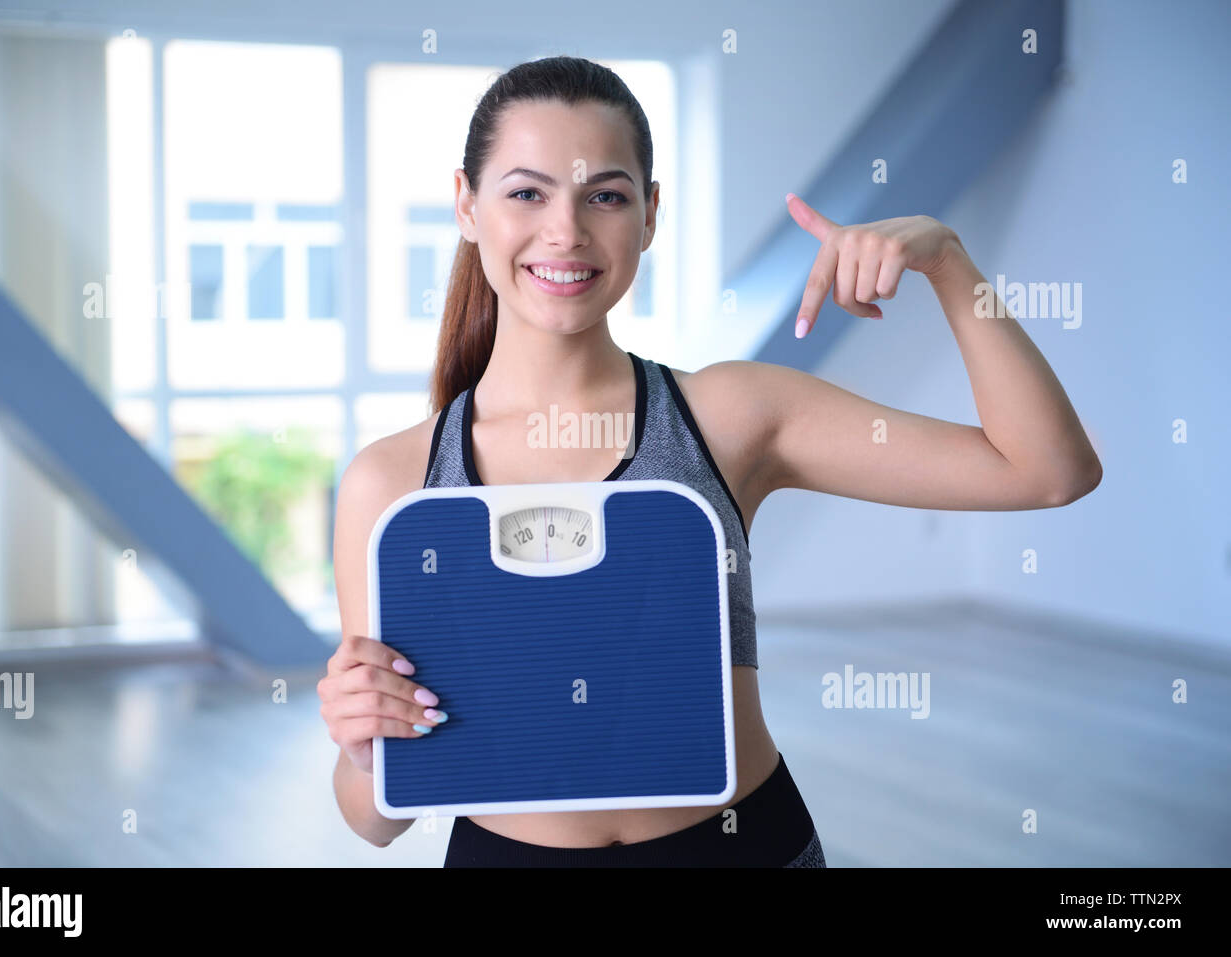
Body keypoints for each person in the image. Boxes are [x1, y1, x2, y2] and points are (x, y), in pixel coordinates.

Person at [318, 55, 1103, 868]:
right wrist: (362, 747)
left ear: (650, 215)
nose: (566, 231)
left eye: (606, 196)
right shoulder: (391, 484)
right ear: (466, 204)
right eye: (527, 192)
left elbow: (1047, 468)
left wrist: (948, 262)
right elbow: (376, 819)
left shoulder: (731, 416)